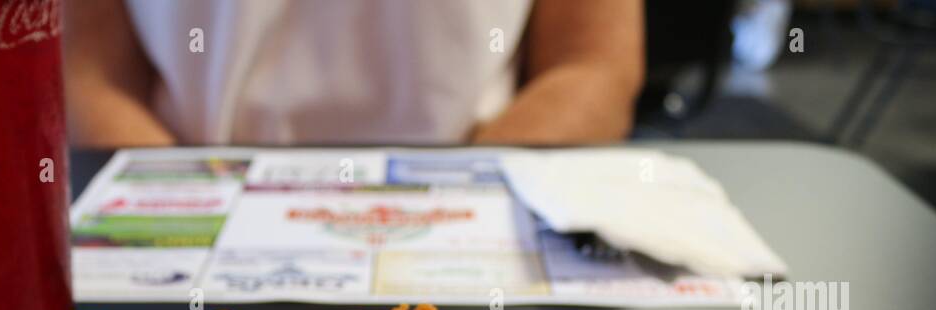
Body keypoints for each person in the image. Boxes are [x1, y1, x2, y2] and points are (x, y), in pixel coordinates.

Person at [64, 0, 644, 147]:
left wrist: (476, 198)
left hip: (480, 176)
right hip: (192, 192)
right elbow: (86, 73)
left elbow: (592, 65)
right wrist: (181, 212)